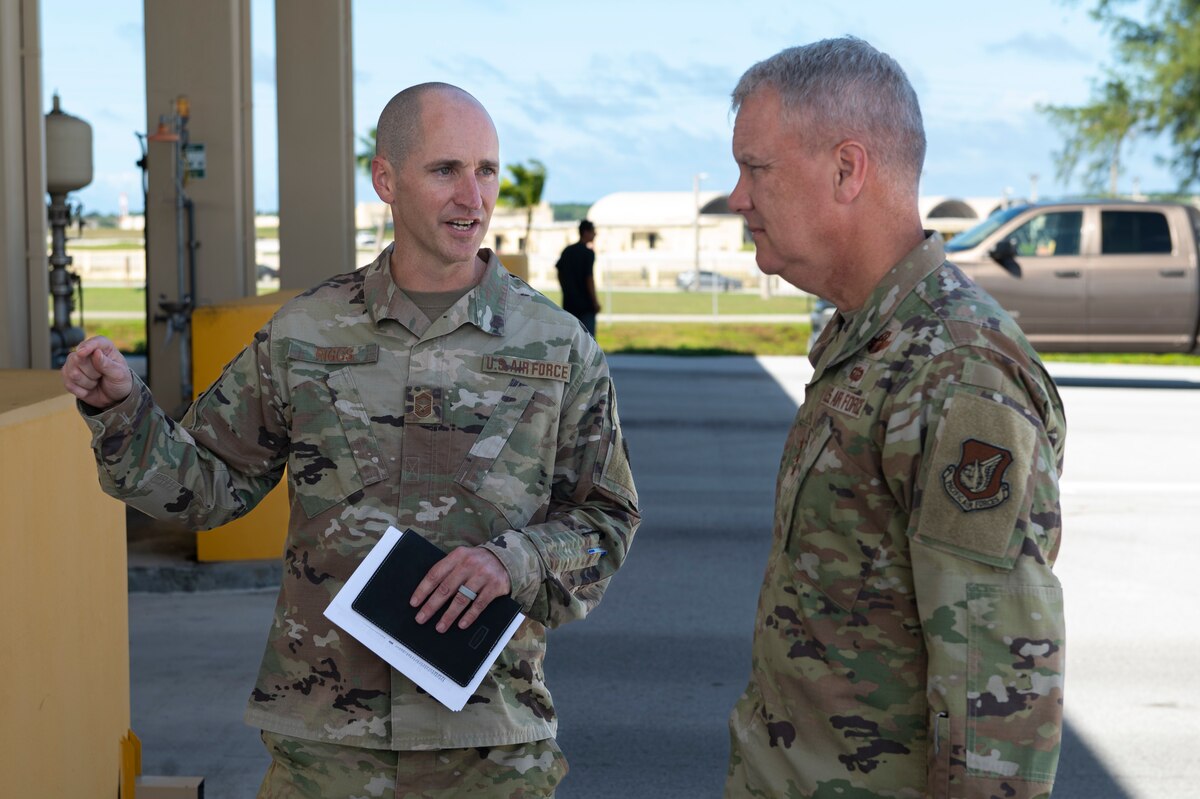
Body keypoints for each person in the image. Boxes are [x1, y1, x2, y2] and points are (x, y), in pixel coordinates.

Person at [62, 82, 640, 799]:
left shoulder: (557, 346)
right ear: (386, 180)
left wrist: (513, 561)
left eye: (487, 169)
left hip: (490, 744)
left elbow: (606, 520)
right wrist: (123, 409)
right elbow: (205, 484)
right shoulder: (305, 334)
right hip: (324, 746)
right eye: (445, 170)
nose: (474, 196)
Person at [723, 38, 1066, 798]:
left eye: (757, 168)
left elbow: (995, 701)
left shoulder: (957, 369)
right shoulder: (867, 336)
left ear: (847, 169)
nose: (737, 197)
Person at [555, 219, 601, 335]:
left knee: (571, 339)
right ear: (585, 232)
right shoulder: (588, 253)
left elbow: (559, 272)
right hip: (585, 305)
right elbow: (589, 278)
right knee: (588, 340)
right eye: (592, 231)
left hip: (570, 302)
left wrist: (566, 289)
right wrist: (595, 301)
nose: (595, 234)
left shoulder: (568, 251)